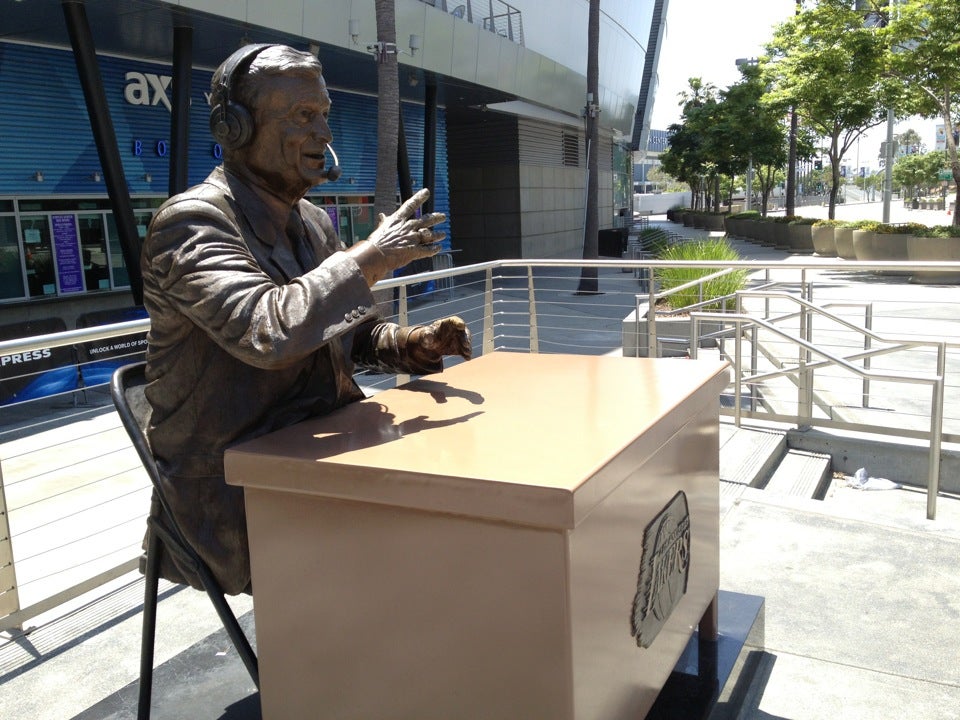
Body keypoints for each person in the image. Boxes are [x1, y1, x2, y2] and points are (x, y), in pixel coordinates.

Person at [140, 44, 471, 595]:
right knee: (422, 555)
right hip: (231, 497)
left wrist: (415, 344)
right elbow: (267, 332)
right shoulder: (192, 224)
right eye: (302, 117)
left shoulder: (313, 223)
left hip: (321, 462)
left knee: (457, 516)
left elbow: (351, 335)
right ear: (236, 127)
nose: (323, 132)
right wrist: (371, 256)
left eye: (324, 115)